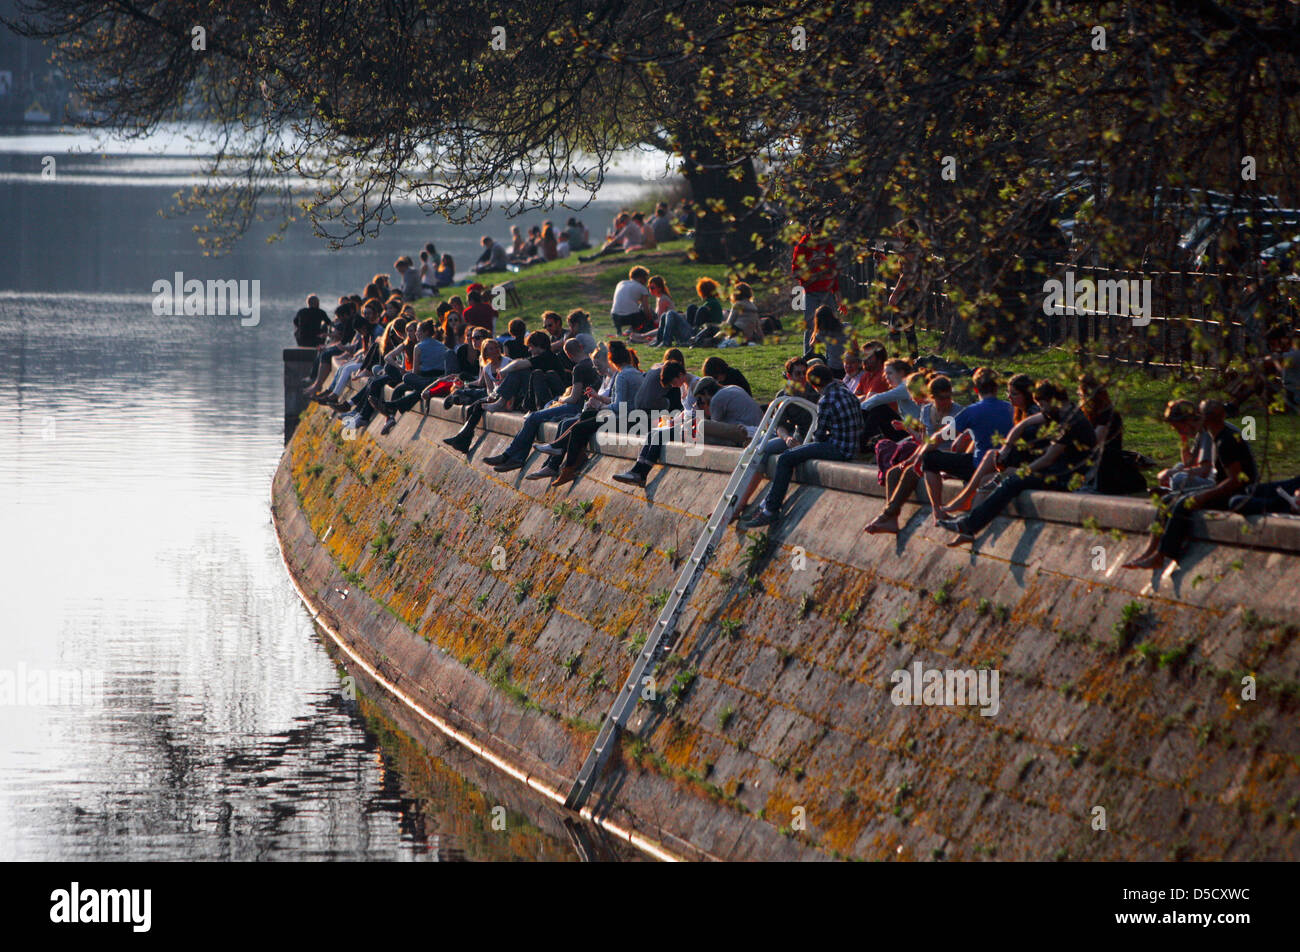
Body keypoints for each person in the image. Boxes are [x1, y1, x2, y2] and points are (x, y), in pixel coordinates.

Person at [937, 380, 1098, 547]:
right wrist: (1007, 448)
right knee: (1001, 475)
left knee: (1013, 481)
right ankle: (968, 524)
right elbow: (1026, 422)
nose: (1041, 410)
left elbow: (1048, 458)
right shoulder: (1064, 411)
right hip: (1059, 470)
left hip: (1068, 478)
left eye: (1042, 404)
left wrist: (1024, 471)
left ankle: (969, 525)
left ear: (1052, 400)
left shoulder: (1069, 422)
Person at [1120, 400, 1258, 571]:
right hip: (1221, 485)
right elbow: (1191, 463)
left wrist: (1204, 495)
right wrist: (1183, 439)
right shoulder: (1214, 433)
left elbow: (1236, 480)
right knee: (1168, 500)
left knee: (1181, 504)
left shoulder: (1225, 439)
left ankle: (1163, 554)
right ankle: (1150, 552)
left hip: (1237, 492)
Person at [740, 364, 863, 528]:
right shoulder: (848, 392)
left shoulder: (826, 399)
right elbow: (860, 424)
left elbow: (818, 435)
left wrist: (808, 446)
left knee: (785, 459)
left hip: (838, 448)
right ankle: (765, 505)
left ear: (814, 384)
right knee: (790, 453)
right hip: (852, 446)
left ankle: (771, 510)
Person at [613, 372, 761, 488]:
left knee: (661, 434)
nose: (703, 403)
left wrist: (696, 415)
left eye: (702, 399)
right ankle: (639, 470)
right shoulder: (732, 389)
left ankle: (640, 472)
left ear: (707, 393)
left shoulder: (717, 399)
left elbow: (716, 426)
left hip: (741, 435)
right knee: (656, 434)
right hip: (749, 430)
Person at [533, 340, 643, 486]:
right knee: (586, 416)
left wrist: (601, 408)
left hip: (625, 419)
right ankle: (560, 448)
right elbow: (618, 400)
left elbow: (619, 406)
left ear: (611, 359)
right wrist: (598, 400)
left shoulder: (622, 376)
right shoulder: (634, 372)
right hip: (630, 416)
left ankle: (568, 468)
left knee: (579, 428)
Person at [482, 339, 602, 473]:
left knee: (533, 417)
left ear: (568, 354)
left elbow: (573, 399)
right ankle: (512, 457)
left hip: (576, 407)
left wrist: (561, 399)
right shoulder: (593, 363)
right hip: (586, 406)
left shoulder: (579, 368)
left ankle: (513, 457)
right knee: (534, 416)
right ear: (581, 346)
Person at [865, 374, 964, 534]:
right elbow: (925, 442)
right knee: (893, 472)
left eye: (948, 397)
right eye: (940, 398)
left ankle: (886, 515)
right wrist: (912, 459)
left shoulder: (958, 412)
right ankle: (891, 520)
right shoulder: (926, 411)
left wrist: (915, 459)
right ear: (932, 397)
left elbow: (953, 444)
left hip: (948, 457)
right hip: (929, 455)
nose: (945, 402)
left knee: (911, 473)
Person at [918, 366, 1013, 523]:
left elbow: (938, 438)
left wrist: (919, 457)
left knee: (930, 459)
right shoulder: (1011, 409)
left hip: (978, 465)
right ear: (997, 388)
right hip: (1003, 463)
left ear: (976, 389)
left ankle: (937, 510)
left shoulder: (972, 411)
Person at [1079, 374, 1146, 494]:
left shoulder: (1108, 415)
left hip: (1106, 464)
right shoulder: (1087, 413)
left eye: (1082, 394)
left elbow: (1095, 441)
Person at [792, 222, 840, 353]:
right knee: (811, 326)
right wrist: (810, 273)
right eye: (816, 232)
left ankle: (833, 356)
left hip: (827, 292)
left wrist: (838, 295)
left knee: (833, 325)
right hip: (810, 292)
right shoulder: (803, 246)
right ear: (811, 229)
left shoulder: (828, 246)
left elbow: (834, 271)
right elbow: (795, 271)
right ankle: (809, 357)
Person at [885, 218, 925, 361]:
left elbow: (906, 275)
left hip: (909, 293)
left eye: (902, 231)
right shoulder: (915, 248)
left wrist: (895, 294)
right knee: (908, 327)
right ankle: (913, 358)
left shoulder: (912, 250)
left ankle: (895, 358)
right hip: (916, 292)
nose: (899, 234)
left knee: (895, 327)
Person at [1156, 399, 1215, 492]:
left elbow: (1204, 471)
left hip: (1218, 482)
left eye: (1179, 427)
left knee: (1178, 478)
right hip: (1211, 477)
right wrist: (1183, 439)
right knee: (1179, 466)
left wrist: (1172, 473)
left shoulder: (1208, 433)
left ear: (1189, 420)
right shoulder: (1201, 433)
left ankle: (1173, 492)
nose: (1179, 431)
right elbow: (1189, 463)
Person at [858, 358, 915, 443]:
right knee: (877, 408)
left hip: (914, 431)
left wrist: (858, 409)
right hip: (908, 428)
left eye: (890, 373)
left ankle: (861, 443)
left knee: (879, 408)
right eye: (885, 373)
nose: (886, 377)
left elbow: (878, 398)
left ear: (901, 373)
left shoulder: (906, 386)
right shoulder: (904, 386)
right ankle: (862, 440)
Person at [610, 266, 655, 335]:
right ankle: (638, 330)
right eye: (645, 278)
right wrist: (651, 320)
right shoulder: (642, 288)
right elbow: (646, 309)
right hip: (630, 318)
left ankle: (619, 331)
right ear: (641, 277)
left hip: (615, 317)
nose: (646, 281)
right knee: (645, 314)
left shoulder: (621, 283)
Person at [808, 304, 847, 373]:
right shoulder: (847, 326)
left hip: (833, 368)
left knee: (812, 357)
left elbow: (811, 345)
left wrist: (816, 330)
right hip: (850, 363)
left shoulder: (821, 334)